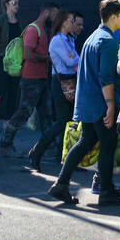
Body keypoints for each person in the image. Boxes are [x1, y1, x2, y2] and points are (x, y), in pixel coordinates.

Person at [50, 0, 120, 207]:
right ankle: (106, 191)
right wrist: (111, 105)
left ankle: (61, 184)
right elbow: (106, 77)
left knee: (86, 142)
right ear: (113, 17)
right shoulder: (109, 41)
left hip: (88, 102)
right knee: (108, 145)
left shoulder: (93, 37)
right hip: (100, 103)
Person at [0, 1, 55, 156]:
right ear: (47, 12)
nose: (56, 18)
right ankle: (4, 144)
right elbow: (28, 55)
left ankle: (48, 147)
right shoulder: (33, 29)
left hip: (41, 79)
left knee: (46, 115)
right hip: (31, 80)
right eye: (54, 14)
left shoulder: (42, 29)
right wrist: (47, 58)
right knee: (23, 113)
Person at [25, 9, 82, 171]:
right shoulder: (57, 41)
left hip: (70, 81)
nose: (74, 24)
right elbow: (71, 61)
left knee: (70, 121)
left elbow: (74, 60)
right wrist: (76, 59)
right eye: (71, 20)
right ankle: (37, 152)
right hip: (60, 83)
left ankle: (65, 157)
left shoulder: (69, 39)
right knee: (62, 121)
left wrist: (75, 59)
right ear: (63, 22)